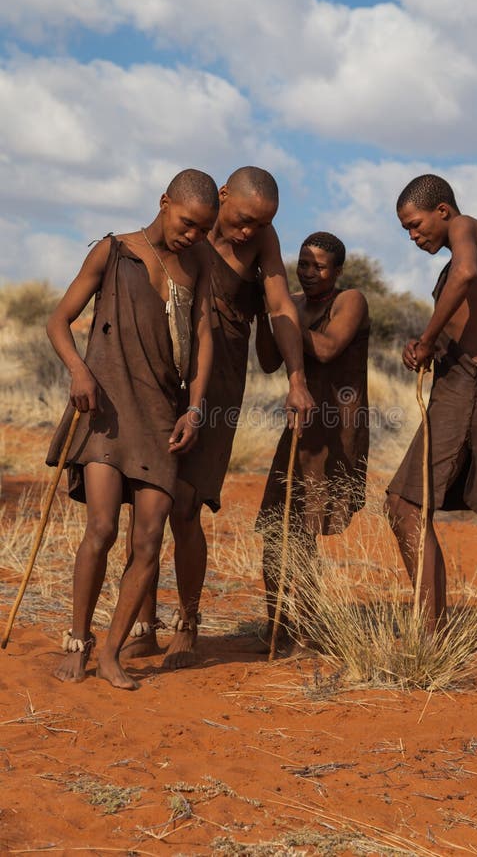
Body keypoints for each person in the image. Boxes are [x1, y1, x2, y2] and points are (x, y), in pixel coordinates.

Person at [121, 166, 315, 668]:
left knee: (184, 505)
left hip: (221, 376)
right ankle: (141, 624)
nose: (249, 231)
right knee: (144, 497)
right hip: (161, 366)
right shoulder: (189, 215)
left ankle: (187, 623)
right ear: (223, 196)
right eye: (245, 219)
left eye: (261, 223)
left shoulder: (261, 241)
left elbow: (280, 307)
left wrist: (297, 379)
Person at [46, 169, 219, 689]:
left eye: (203, 230)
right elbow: (58, 321)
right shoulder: (113, 251)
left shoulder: (198, 265)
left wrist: (195, 409)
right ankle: (79, 641)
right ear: (165, 202)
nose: (192, 236)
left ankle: (113, 655)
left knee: (148, 541)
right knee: (100, 529)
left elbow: (206, 333)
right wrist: (78, 370)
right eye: (188, 224)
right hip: (107, 413)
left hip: (164, 417)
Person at [385, 174, 477, 634]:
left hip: (471, 386)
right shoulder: (467, 239)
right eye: (405, 230)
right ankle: (432, 628)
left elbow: (465, 274)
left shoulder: (467, 227)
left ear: (443, 210)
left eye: (415, 224)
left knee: (403, 504)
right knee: (408, 505)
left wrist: (427, 337)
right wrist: (431, 350)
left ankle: (429, 634)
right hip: (459, 382)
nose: (413, 235)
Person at [255, 231, 370, 652]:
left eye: (319, 265)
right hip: (299, 430)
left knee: (304, 527)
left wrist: (284, 314)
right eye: (303, 263)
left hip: (338, 432)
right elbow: (269, 361)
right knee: (276, 527)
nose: (309, 272)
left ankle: (305, 630)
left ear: (337, 270)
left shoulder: (350, 300)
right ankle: (277, 626)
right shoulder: (295, 305)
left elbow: (325, 348)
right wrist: (268, 314)